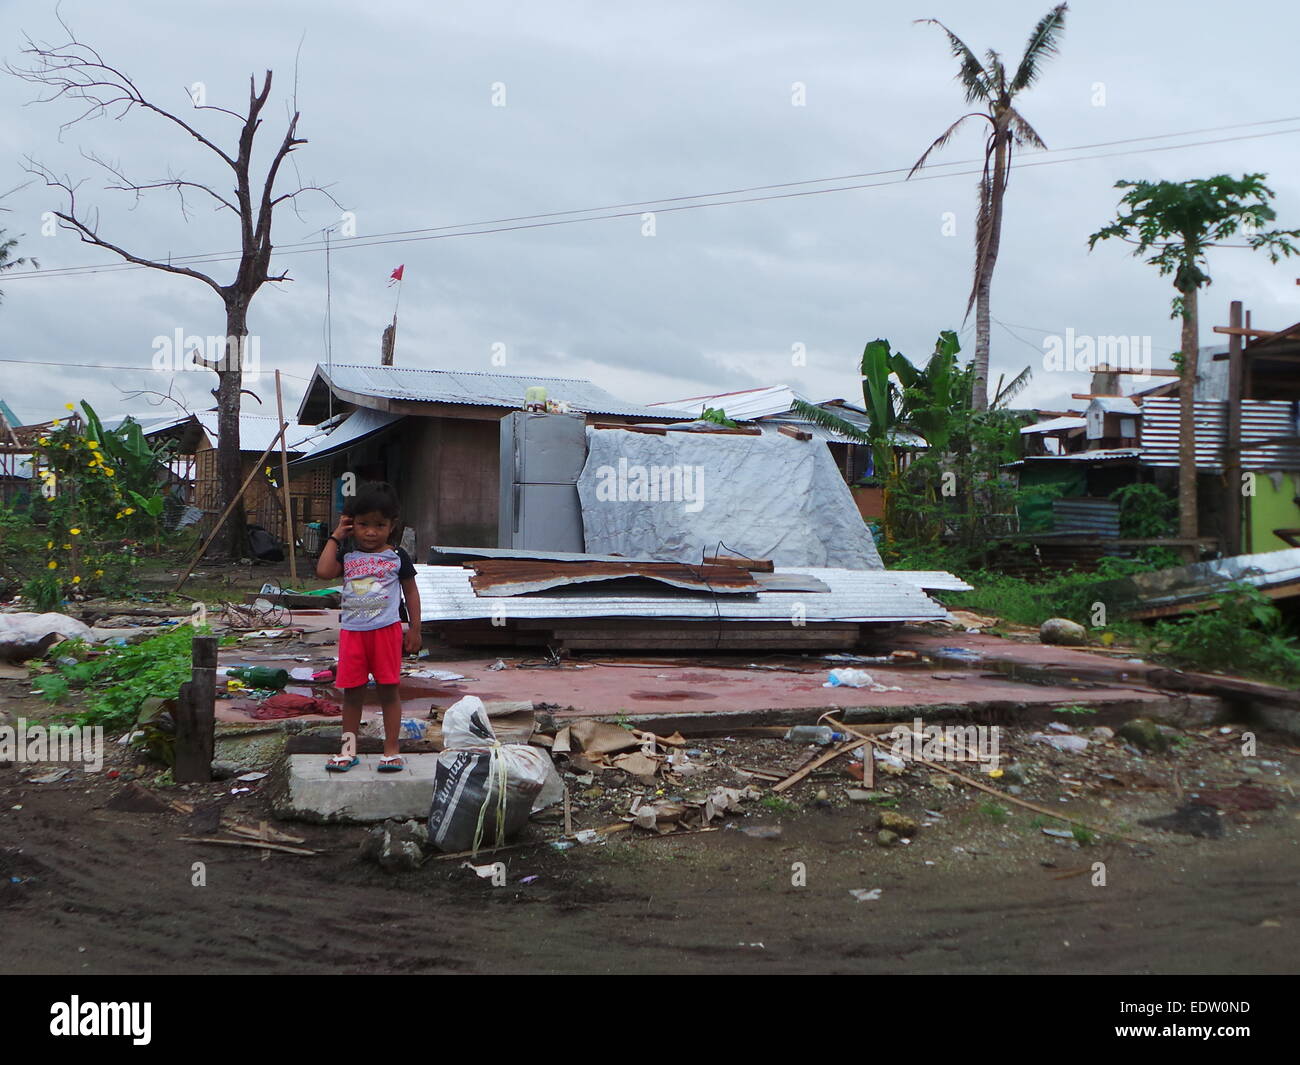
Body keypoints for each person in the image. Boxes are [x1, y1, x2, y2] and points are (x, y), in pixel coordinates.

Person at [315, 481, 422, 772]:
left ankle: (391, 750)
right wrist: (336, 536)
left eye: (379, 525)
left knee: (389, 691)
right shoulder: (347, 555)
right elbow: (323, 571)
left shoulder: (397, 557)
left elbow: (411, 593)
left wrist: (415, 629)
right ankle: (348, 751)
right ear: (352, 523)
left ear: (392, 525)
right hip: (353, 634)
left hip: (386, 632)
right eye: (363, 524)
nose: (371, 532)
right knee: (352, 693)